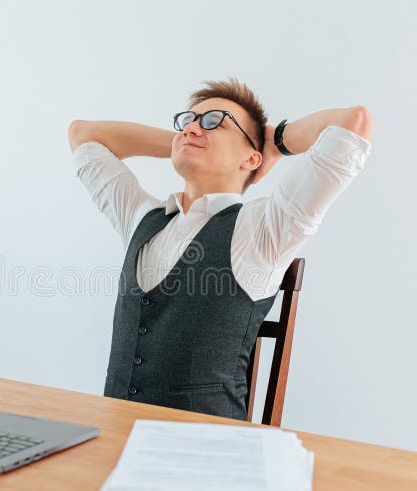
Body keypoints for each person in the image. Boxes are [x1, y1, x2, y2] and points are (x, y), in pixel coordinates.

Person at [68, 77, 374, 421]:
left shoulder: (266, 228)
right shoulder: (140, 217)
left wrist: (274, 141)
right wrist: (182, 141)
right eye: (189, 121)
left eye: (215, 121)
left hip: (208, 455)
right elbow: (83, 134)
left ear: (251, 159)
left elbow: (354, 122)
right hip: (114, 444)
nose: (194, 128)